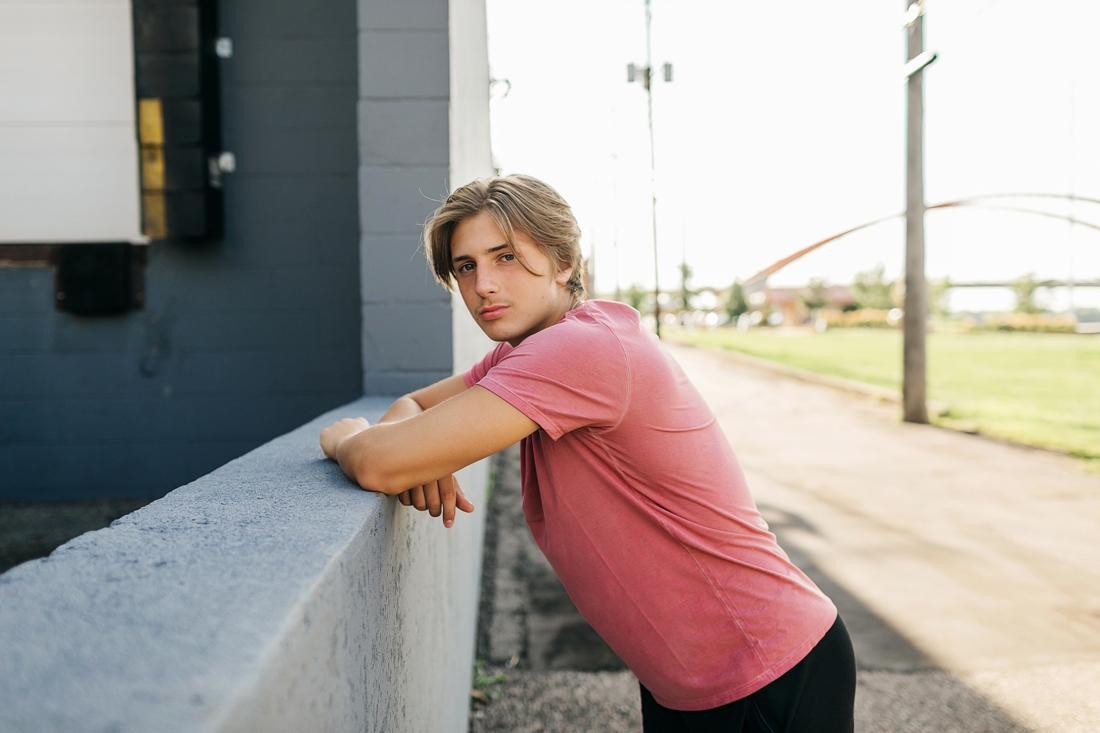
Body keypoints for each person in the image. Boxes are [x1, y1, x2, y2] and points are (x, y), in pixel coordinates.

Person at [320, 174, 856, 732]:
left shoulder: (579, 349)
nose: (483, 285)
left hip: (761, 664)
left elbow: (379, 461)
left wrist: (349, 439)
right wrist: (419, 452)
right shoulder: (523, 353)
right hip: (688, 678)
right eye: (466, 266)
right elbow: (412, 407)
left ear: (565, 262)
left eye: (505, 257)